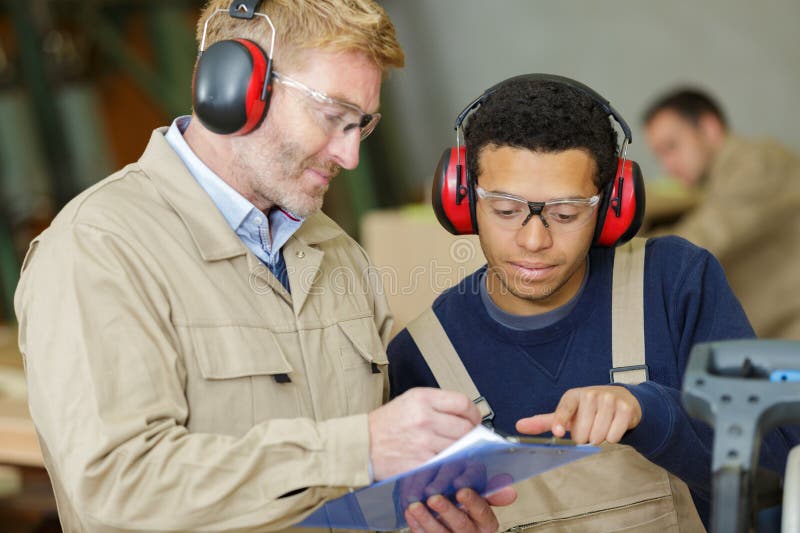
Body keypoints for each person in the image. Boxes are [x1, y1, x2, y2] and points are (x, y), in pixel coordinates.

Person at [13, 1, 514, 531]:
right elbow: (117, 486)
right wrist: (356, 448)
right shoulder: (100, 248)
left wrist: (426, 507)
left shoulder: (336, 251)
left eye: (360, 127)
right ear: (235, 90)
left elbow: (384, 464)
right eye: (332, 117)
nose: (349, 157)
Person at [387, 75, 799, 531]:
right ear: (461, 199)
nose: (533, 240)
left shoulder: (675, 283)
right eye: (505, 210)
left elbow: (778, 467)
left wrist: (653, 411)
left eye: (566, 214)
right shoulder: (421, 355)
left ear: (611, 207)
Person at [643, 88, 800, 340]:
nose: (668, 166)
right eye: (660, 155)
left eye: (671, 146)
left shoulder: (758, 165)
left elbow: (692, 245)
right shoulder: (718, 179)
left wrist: (622, 251)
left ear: (709, 127)